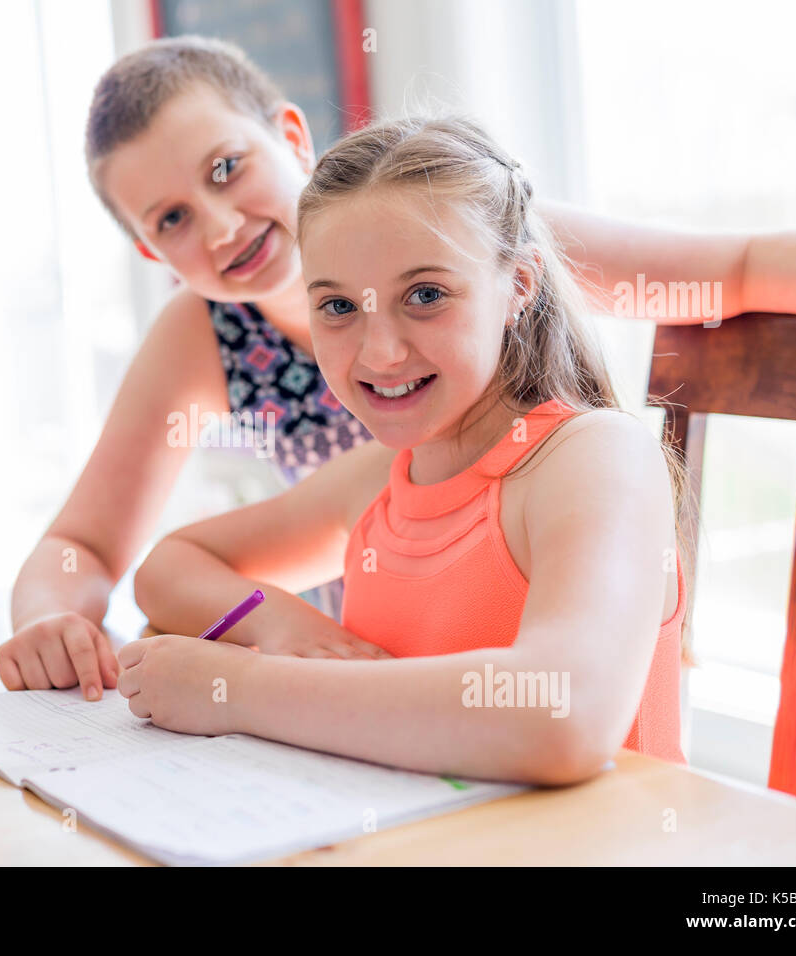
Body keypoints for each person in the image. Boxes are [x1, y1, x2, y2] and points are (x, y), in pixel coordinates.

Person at [0, 36, 796, 701]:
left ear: (288, 134)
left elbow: (741, 267)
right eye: (174, 220)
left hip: (535, 653)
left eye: (228, 169)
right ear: (152, 252)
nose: (221, 226)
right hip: (365, 671)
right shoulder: (204, 337)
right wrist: (50, 618)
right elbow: (88, 547)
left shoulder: (466, 232)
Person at [125, 113, 687, 782]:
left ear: (519, 284)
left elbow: (562, 713)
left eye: (425, 295)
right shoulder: (375, 482)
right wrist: (282, 628)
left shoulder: (594, 458)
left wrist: (242, 688)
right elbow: (169, 566)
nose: (380, 352)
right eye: (337, 307)